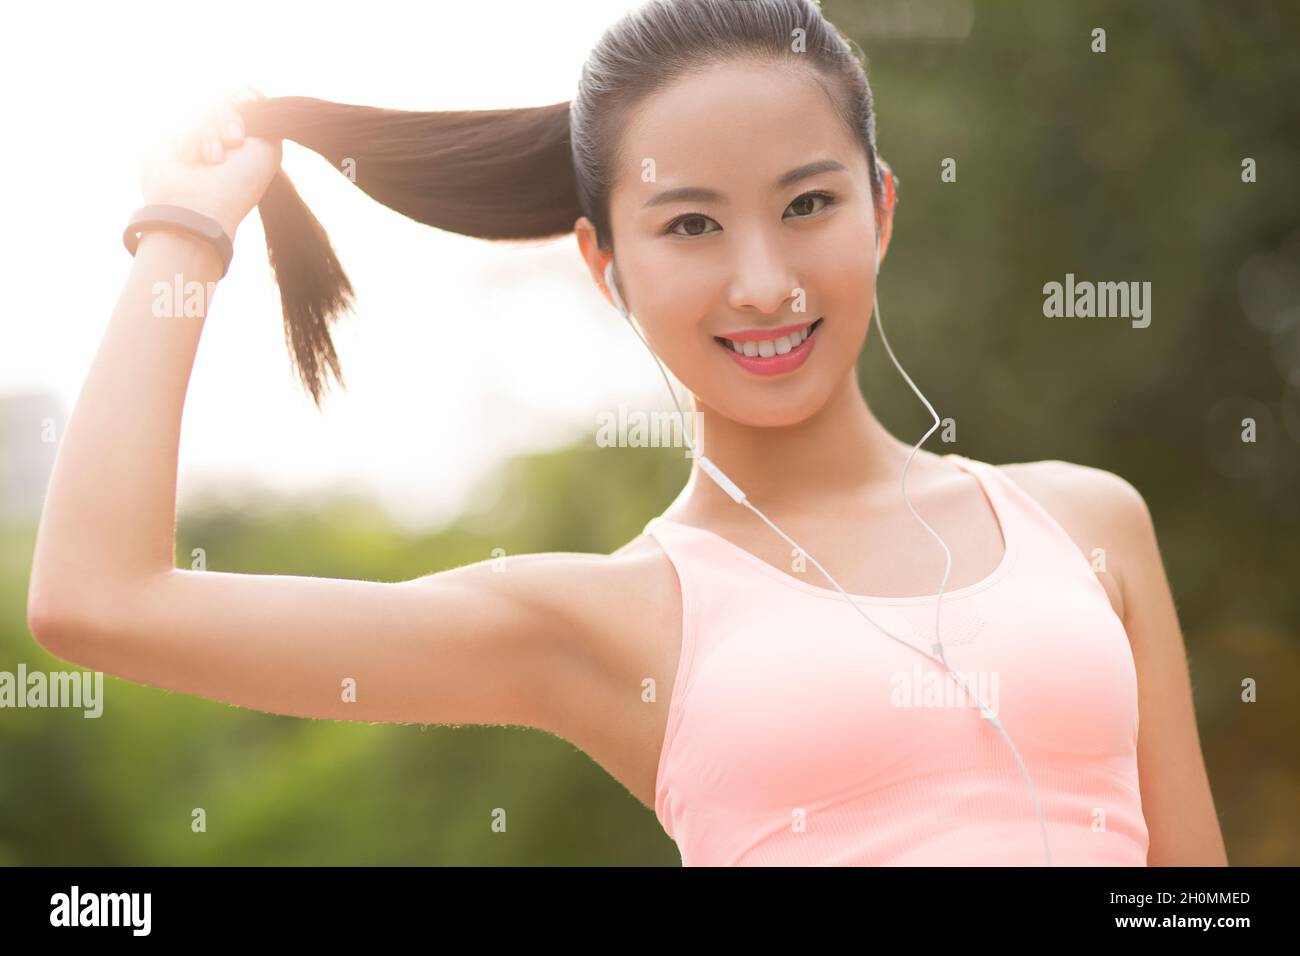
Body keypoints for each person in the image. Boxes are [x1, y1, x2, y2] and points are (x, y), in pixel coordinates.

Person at [27, 0, 1226, 866]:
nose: (762, 282)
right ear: (605, 264)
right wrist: (184, 227)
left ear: (882, 209)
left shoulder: (1086, 518)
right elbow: (99, 599)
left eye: (808, 203)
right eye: (690, 226)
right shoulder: (615, 621)